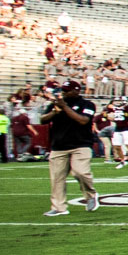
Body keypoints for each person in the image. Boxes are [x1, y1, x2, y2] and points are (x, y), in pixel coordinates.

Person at [43, 79, 100, 216]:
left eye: (67, 91)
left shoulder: (87, 104)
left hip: (81, 144)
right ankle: (59, 207)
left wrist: (65, 107)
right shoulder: (55, 104)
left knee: (80, 172)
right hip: (59, 146)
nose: (64, 93)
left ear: (76, 91)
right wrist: (54, 112)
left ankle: (91, 195)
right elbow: (42, 120)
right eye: (63, 90)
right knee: (57, 178)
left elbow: (83, 120)